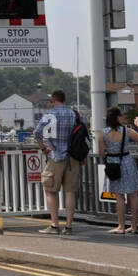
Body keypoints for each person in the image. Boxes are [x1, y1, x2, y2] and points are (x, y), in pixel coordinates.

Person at [33, 89, 81, 234]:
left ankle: (54, 225)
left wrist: (44, 149)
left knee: (50, 190)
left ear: (53, 100)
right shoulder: (73, 114)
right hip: (72, 157)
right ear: (64, 99)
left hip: (55, 156)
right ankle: (69, 226)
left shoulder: (50, 114)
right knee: (70, 192)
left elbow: (37, 133)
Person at [99, 106, 138, 234]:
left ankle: (121, 226)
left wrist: (110, 152)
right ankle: (134, 226)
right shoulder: (126, 131)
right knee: (133, 195)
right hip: (126, 162)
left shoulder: (103, 133)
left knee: (119, 196)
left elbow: (100, 153)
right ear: (117, 117)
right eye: (120, 115)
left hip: (112, 164)